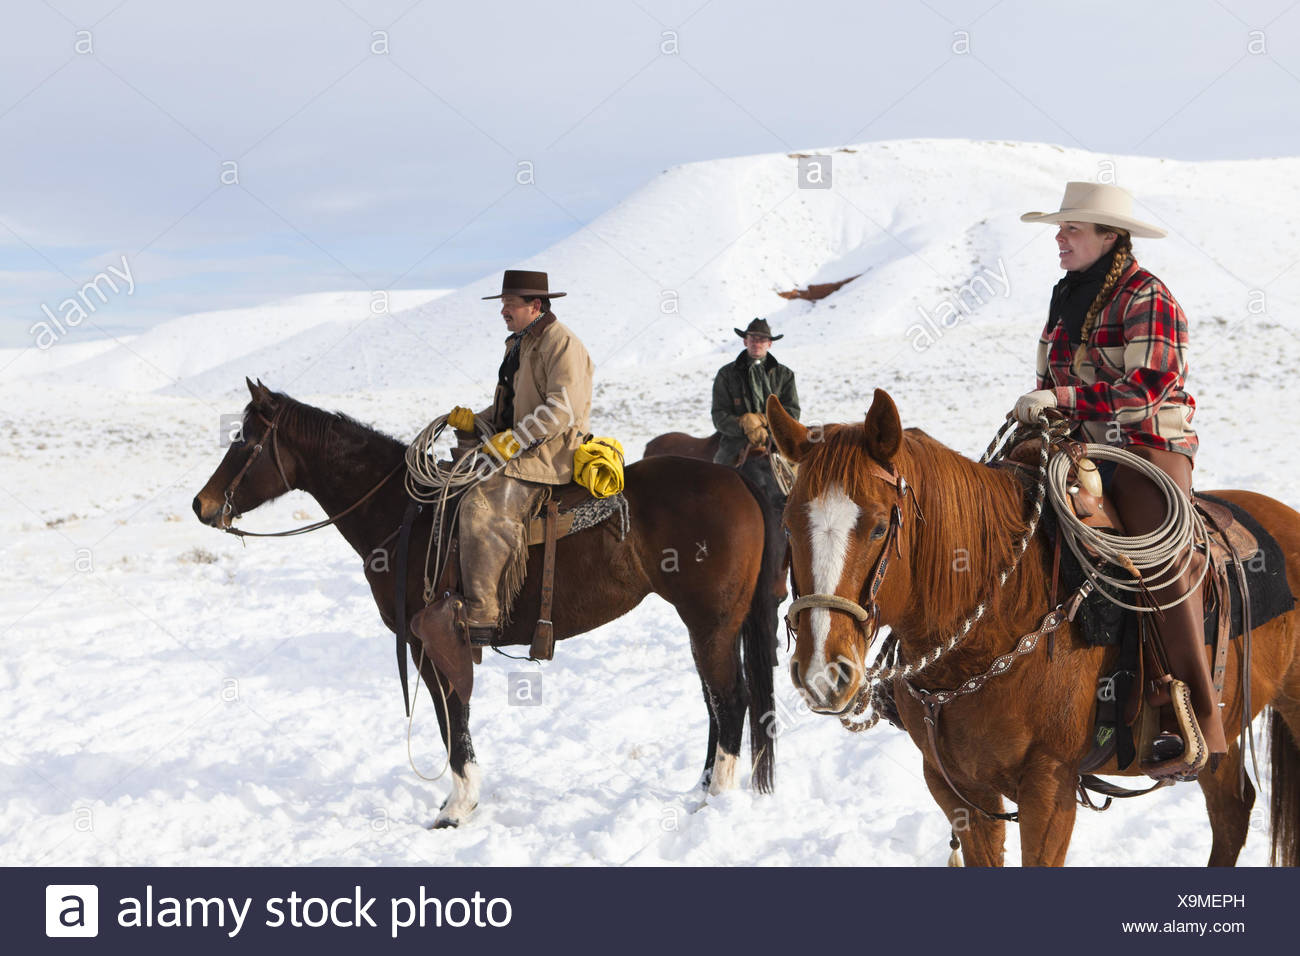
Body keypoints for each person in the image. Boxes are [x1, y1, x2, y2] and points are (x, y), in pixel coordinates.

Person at [1014, 181, 1227, 772]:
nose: (1059, 237)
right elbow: (1051, 378)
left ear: (1110, 238)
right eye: (1060, 228)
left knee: (1158, 557)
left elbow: (1144, 392)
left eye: (1072, 228)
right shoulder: (1068, 298)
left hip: (1147, 446)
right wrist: (1040, 408)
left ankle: (1194, 718)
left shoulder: (1148, 297)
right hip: (1079, 448)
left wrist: (1063, 397)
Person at [445, 270, 593, 645]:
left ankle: (482, 613)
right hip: (521, 447)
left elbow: (561, 410)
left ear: (536, 306)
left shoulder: (562, 344)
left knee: (481, 504)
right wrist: (475, 421)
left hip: (551, 454)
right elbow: (508, 408)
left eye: (510, 305)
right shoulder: (520, 345)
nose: (504, 312)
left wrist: (514, 440)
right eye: (503, 304)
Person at [711, 318, 800, 468]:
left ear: (769, 344)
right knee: (719, 476)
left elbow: (792, 413)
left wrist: (762, 420)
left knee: (794, 480)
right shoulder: (726, 374)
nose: (757, 343)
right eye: (752, 338)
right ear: (745, 341)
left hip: (777, 441)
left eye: (762, 339)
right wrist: (745, 425)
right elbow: (719, 415)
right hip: (735, 444)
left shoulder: (785, 375)